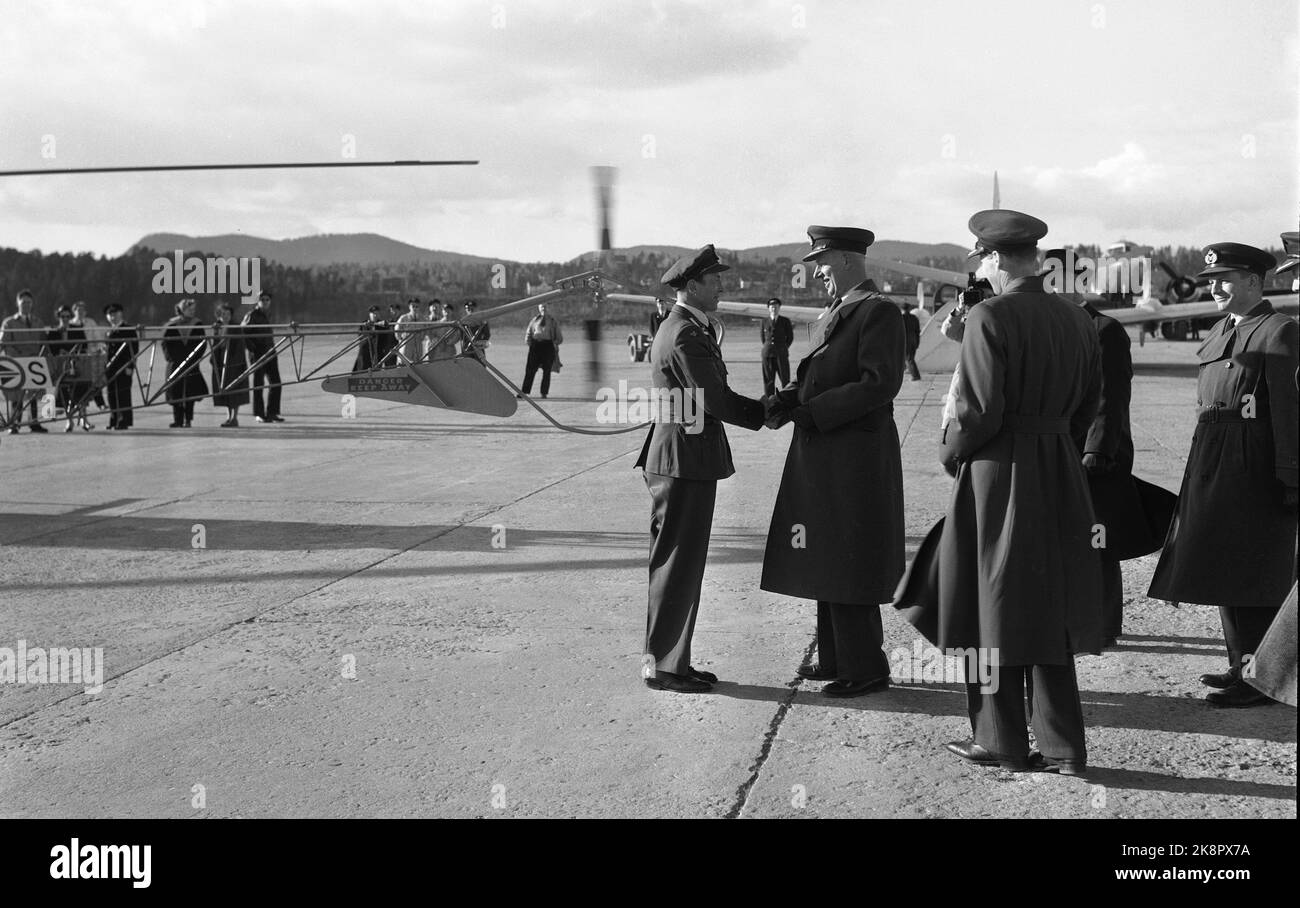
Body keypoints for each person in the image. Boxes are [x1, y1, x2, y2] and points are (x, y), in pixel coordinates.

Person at [932, 210, 1103, 775]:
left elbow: (977, 411)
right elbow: (1087, 407)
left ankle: (1000, 738)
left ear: (998, 258)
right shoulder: (1078, 319)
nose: (983, 268)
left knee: (992, 608)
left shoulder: (989, 316)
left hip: (998, 473)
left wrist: (951, 453)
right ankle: (1063, 744)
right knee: (1046, 605)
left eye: (983, 258)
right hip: (1059, 467)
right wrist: (1055, 444)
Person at [1148, 243, 1298, 708]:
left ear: (1254, 281)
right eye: (1211, 279)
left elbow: (1290, 413)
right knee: (1223, 565)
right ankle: (1242, 666)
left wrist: (1291, 475)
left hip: (1255, 465)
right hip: (1213, 459)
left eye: (1225, 279)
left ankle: (1262, 679)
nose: (1214, 287)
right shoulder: (1221, 330)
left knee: (1256, 569)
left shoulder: (1280, 332)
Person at [760, 227, 906, 697]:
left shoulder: (878, 313)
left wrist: (812, 412)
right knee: (828, 553)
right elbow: (813, 375)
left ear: (844, 260)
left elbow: (878, 383)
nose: (818, 272)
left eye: (821, 263)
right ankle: (835, 656)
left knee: (851, 558)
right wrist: (783, 402)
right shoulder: (837, 311)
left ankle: (866, 668)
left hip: (855, 456)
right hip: (827, 451)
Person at [635, 245, 765, 693]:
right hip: (682, 461)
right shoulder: (685, 333)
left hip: (684, 458)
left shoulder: (687, 326)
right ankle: (665, 667)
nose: (721, 287)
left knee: (682, 564)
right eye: (714, 281)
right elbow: (716, 398)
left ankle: (674, 660)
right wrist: (768, 411)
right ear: (692, 286)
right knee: (676, 564)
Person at [1, 289, 49, 433]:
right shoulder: (9, 323)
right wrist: (19, 355)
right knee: (17, 396)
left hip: (35, 363)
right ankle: (14, 424)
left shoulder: (38, 322)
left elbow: (44, 342)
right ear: (18, 304)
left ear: (32, 304)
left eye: (29, 302)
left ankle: (34, 422)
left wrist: (42, 355)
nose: (26, 305)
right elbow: (4, 343)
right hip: (16, 363)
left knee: (34, 395)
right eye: (23, 303)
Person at [162, 298, 209, 428]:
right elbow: (166, 344)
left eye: (194, 309)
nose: (192, 312)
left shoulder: (197, 324)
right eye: (189, 309)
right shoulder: (171, 325)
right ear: (182, 310)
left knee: (190, 392)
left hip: (191, 362)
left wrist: (194, 357)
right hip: (175, 363)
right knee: (175, 392)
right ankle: (178, 419)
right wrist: (172, 358)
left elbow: (202, 343)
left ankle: (188, 419)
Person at [45, 305, 93, 431]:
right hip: (61, 367)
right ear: (58, 317)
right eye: (62, 316)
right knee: (64, 394)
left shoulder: (77, 329)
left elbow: (84, 345)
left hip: (76, 365)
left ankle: (84, 420)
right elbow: (50, 349)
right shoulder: (54, 332)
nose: (65, 319)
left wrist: (74, 353)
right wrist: (60, 352)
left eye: (67, 316)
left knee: (81, 392)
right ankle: (69, 421)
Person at [241, 290, 284, 423]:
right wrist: (251, 348)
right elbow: (243, 332)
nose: (265, 302)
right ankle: (259, 414)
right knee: (258, 384)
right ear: (258, 301)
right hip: (257, 351)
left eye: (267, 300)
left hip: (270, 350)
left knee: (276, 383)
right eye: (262, 299)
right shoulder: (252, 315)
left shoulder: (269, 314)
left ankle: (272, 412)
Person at [210, 301, 250, 427]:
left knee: (235, 390)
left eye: (228, 313)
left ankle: (234, 417)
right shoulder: (218, 327)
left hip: (234, 363)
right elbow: (215, 345)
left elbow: (240, 346)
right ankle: (229, 416)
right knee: (225, 391)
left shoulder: (235, 328)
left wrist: (234, 362)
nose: (226, 316)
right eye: (223, 314)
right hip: (221, 362)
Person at [103, 304, 138, 430]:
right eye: (109, 314)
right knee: (111, 394)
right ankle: (114, 419)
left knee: (123, 393)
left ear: (121, 313)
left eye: (115, 313)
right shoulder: (108, 331)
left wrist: (131, 366)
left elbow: (134, 349)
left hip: (123, 366)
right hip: (110, 368)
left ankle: (124, 420)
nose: (112, 316)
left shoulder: (128, 329)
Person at [521, 303, 563, 398]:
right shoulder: (534, 320)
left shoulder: (552, 321)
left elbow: (559, 338)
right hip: (535, 346)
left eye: (545, 306)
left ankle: (544, 393)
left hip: (547, 347)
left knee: (547, 371)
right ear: (539, 308)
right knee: (530, 370)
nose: (544, 308)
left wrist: (553, 344)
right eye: (542, 306)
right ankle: (524, 392)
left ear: (549, 308)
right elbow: (529, 333)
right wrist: (530, 344)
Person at [759, 297, 794, 396]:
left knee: (785, 379)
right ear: (769, 308)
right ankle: (769, 401)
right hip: (767, 354)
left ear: (779, 308)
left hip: (781, 353)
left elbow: (790, 337)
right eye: (772, 307)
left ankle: (787, 399)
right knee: (768, 380)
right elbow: (763, 338)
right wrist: (769, 347)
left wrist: (783, 347)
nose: (774, 309)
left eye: (776, 307)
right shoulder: (764, 321)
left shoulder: (785, 321)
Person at [393, 297, 425, 364]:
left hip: (418, 346)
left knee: (418, 365)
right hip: (406, 346)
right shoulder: (403, 318)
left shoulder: (423, 319)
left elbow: (426, 331)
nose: (415, 308)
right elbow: (397, 331)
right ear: (409, 307)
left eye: (417, 306)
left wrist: (422, 337)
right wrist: (401, 338)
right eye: (413, 306)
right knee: (403, 364)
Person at [353, 306, 385, 371]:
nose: (375, 315)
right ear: (369, 314)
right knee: (362, 370)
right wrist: (368, 327)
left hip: (377, 354)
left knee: (376, 372)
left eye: (377, 313)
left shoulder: (382, 325)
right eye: (373, 313)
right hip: (365, 354)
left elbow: (385, 339)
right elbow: (361, 337)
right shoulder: (364, 324)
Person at [901, 302, 922, 381]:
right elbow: (917, 331)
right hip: (914, 341)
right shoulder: (914, 318)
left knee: (909, 359)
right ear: (909, 309)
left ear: (902, 309)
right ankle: (907, 370)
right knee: (909, 358)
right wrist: (917, 342)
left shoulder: (901, 318)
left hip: (906, 341)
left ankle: (915, 375)